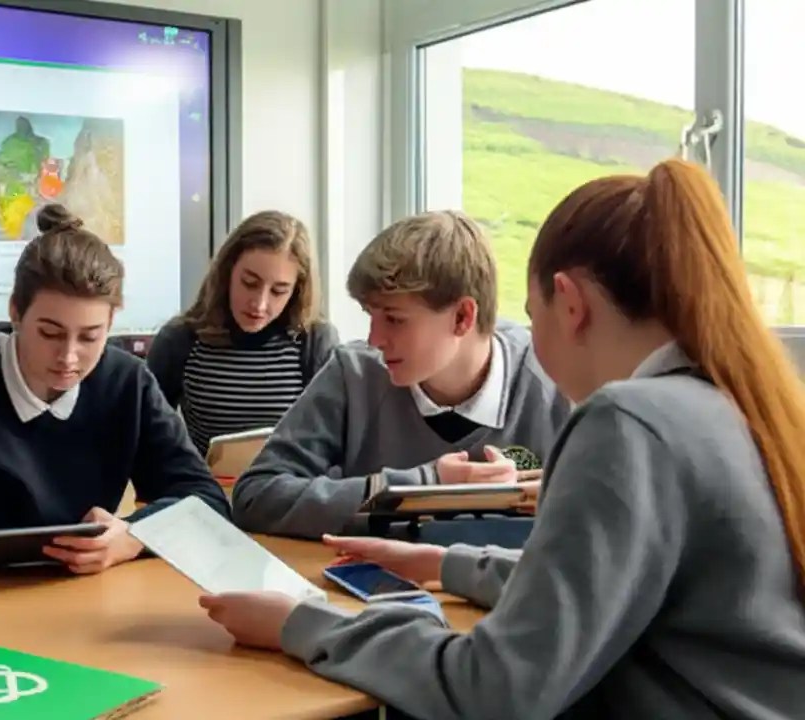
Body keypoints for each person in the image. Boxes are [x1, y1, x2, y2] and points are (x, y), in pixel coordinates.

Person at [200, 159, 805, 718]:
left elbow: (493, 689)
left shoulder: (629, 419)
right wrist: (452, 564)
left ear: (568, 304)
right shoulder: (737, 400)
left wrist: (302, 625)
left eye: (530, 312)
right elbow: (604, 591)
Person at [0, 204, 229, 571]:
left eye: (90, 337)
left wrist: (134, 535)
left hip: (71, 598)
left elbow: (207, 501)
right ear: (15, 311)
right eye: (50, 333)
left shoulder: (127, 382)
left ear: (112, 321)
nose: (68, 357)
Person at [232, 210, 568, 538]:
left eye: (394, 319)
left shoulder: (556, 380)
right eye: (370, 315)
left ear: (462, 317)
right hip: (365, 591)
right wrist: (422, 484)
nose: (374, 340)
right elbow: (255, 496)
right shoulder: (353, 373)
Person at [147, 211, 338, 454]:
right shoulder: (181, 338)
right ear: (227, 273)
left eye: (278, 291)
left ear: (296, 292)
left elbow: (332, 441)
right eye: (249, 283)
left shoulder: (314, 340)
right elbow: (147, 434)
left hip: (291, 486)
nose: (259, 304)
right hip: (206, 487)